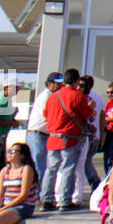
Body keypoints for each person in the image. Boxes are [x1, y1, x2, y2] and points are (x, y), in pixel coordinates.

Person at [41, 68, 95, 211]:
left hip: (53, 138)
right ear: (77, 81)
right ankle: (64, 201)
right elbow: (88, 114)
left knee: (51, 170)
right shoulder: (78, 96)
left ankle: (46, 199)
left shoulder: (52, 97)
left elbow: (46, 115)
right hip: (69, 138)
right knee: (67, 169)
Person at [26, 72, 60, 189]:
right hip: (38, 134)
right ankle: (38, 193)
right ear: (50, 84)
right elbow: (48, 116)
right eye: (58, 84)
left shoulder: (52, 97)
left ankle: (40, 192)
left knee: (44, 165)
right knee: (40, 165)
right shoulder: (46, 97)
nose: (60, 86)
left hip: (43, 134)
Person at [76, 75, 103, 199]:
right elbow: (102, 117)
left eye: (82, 85)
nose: (79, 87)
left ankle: (95, 182)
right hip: (94, 136)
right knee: (86, 161)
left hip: (87, 136)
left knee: (82, 163)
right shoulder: (98, 98)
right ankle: (95, 183)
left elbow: (96, 116)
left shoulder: (85, 99)